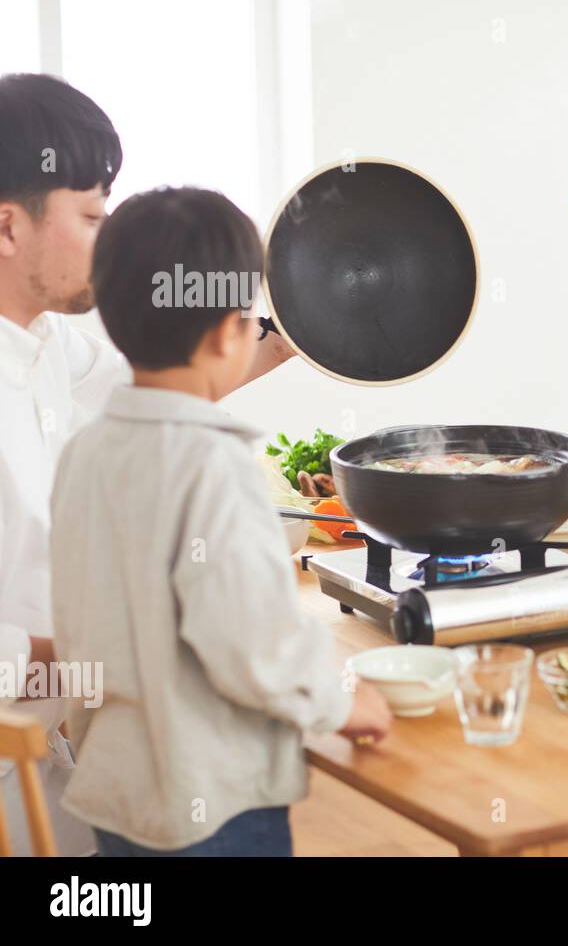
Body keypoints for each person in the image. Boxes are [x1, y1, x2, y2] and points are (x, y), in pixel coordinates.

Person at [0, 72, 301, 856]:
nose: (112, 240)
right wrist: (86, 656)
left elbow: (166, 376)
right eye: (95, 215)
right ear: (7, 227)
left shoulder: (45, 348)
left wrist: (296, 325)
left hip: (77, 739)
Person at [50, 186, 392, 856]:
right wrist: (341, 705)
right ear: (226, 332)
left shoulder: (85, 449)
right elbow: (251, 644)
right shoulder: (214, 463)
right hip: (212, 804)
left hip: (115, 786)